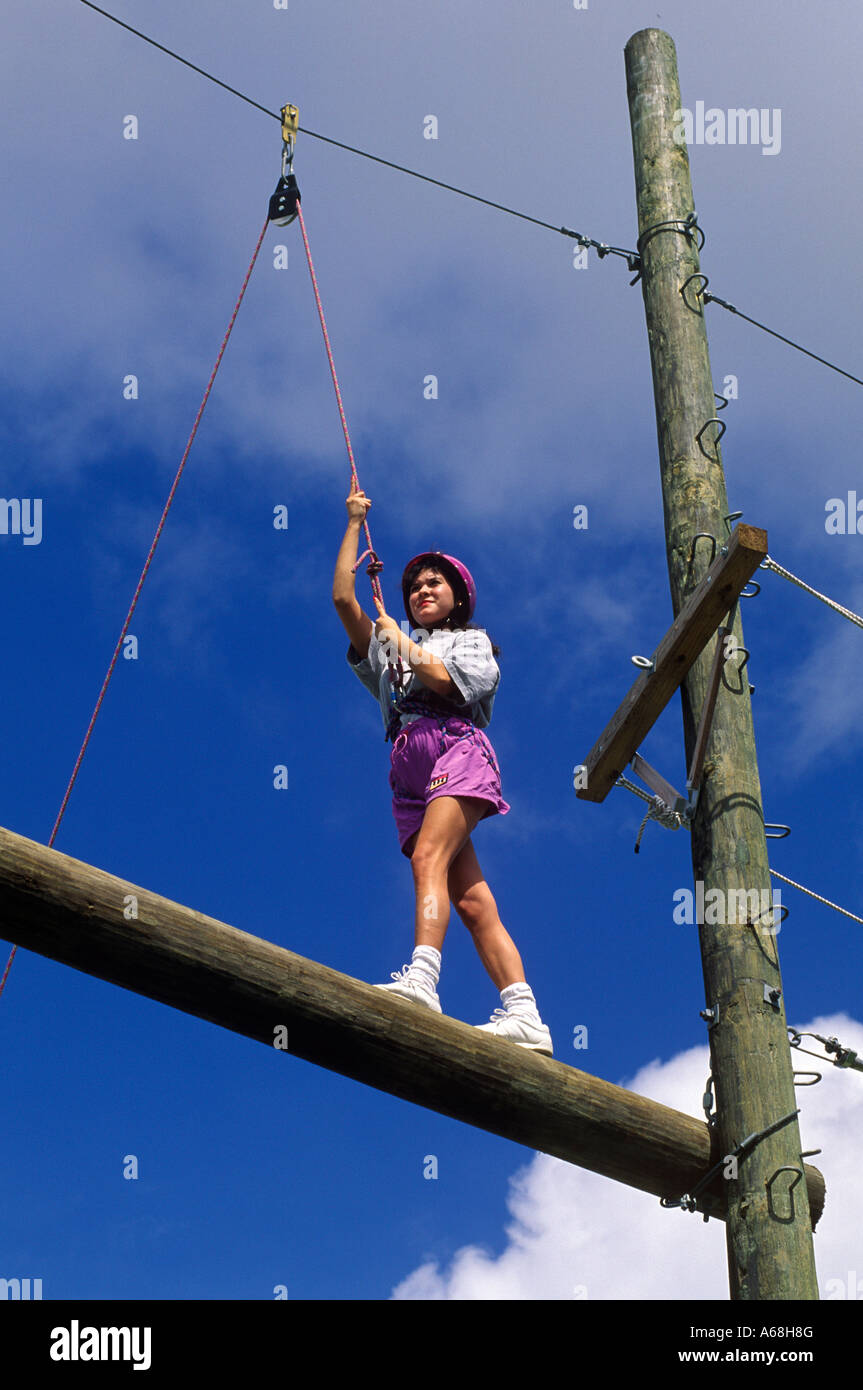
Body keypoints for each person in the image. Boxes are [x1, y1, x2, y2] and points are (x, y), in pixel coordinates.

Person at [332, 477, 553, 1054]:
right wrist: (354, 522)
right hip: (409, 767)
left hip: (455, 748)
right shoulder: (391, 642)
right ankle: (525, 1012)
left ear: (460, 598)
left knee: (430, 856)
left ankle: (423, 978)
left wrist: (399, 642)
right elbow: (342, 602)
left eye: (436, 583)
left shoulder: (471, 644)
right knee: (472, 899)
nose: (422, 590)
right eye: (415, 587)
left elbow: (443, 680)